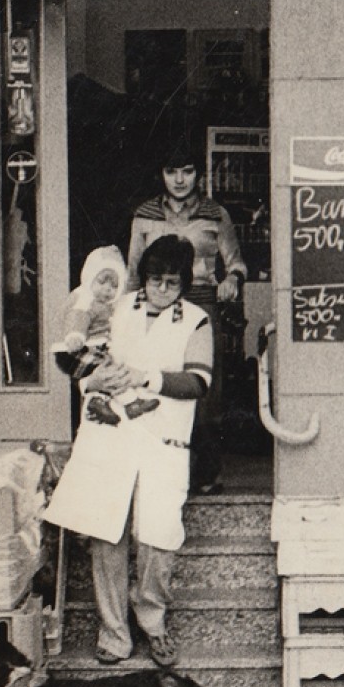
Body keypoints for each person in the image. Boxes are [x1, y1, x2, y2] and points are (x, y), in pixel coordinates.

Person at [42, 236, 212, 668]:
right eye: (155, 280)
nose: (161, 289)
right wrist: (88, 381)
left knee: (159, 536)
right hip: (111, 433)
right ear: (143, 277)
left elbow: (197, 382)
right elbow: (71, 351)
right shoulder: (117, 303)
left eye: (171, 283)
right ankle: (114, 631)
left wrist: (146, 377)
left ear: (184, 283)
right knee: (106, 533)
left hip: (163, 437)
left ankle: (152, 619)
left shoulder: (196, 320)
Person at [124, 144, 246, 495]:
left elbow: (235, 262)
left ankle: (205, 474)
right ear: (161, 174)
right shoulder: (145, 214)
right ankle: (157, 470)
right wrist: (131, 312)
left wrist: (231, 280)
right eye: (171, 171)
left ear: (198, 174)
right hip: (155, 303)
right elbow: (134, 271)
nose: (179, 180)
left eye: (187, 171)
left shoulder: (214, 214)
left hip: (201, 302)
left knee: (203, 388)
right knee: (156, 380)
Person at [52, 244, 154, 426]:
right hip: (75, 350)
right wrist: (75, 336)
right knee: (107, 371)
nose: (107, 289)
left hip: (93, 348)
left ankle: (128, 403)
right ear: (89, 277)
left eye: (114, 286)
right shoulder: (85, 298)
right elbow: (77, 317)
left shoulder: (108, 304)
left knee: (112, 369)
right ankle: (103, 402)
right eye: (102, 282)